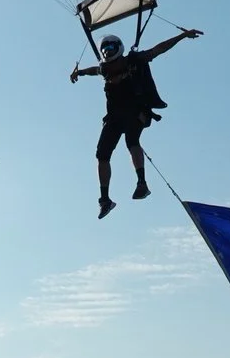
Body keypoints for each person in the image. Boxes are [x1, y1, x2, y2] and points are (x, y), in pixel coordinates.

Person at [70, 26, 201, 217]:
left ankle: (142, 183)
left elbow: (160, 48)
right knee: (102, 154)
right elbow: (93, 70)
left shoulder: (134, 60)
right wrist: (79, 73)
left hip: (135, 112)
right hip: (114, 117)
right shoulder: (104, 69)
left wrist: (182, 35)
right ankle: (105, 200)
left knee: (132, 142)